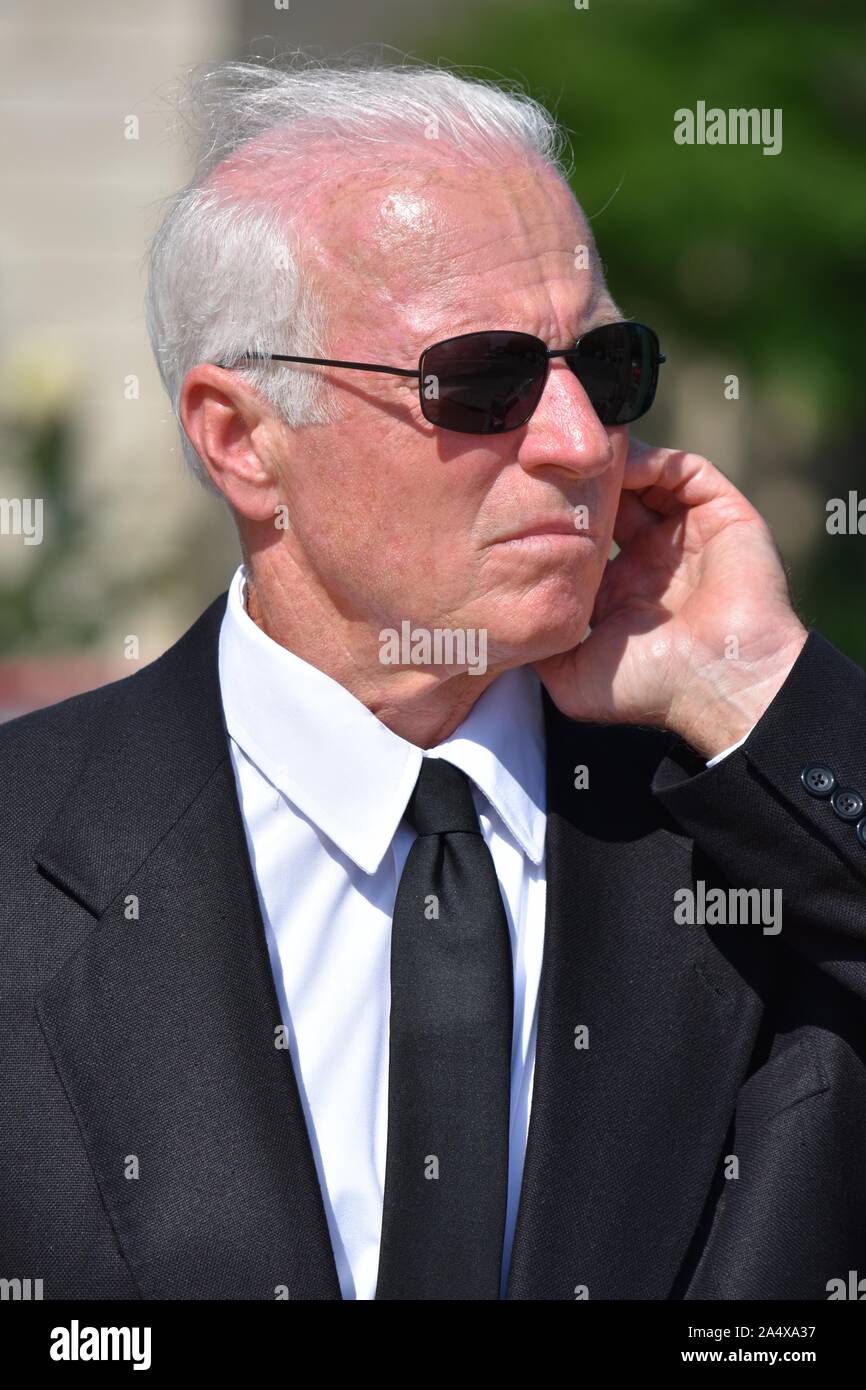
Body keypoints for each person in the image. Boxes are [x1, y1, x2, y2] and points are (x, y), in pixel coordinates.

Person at [2, 57, 863, 1302]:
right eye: (481, 382)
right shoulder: (33, 851)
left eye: (605, 366)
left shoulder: (750, 829)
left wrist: (757, 691)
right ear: (242, 439)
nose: (578, 444)